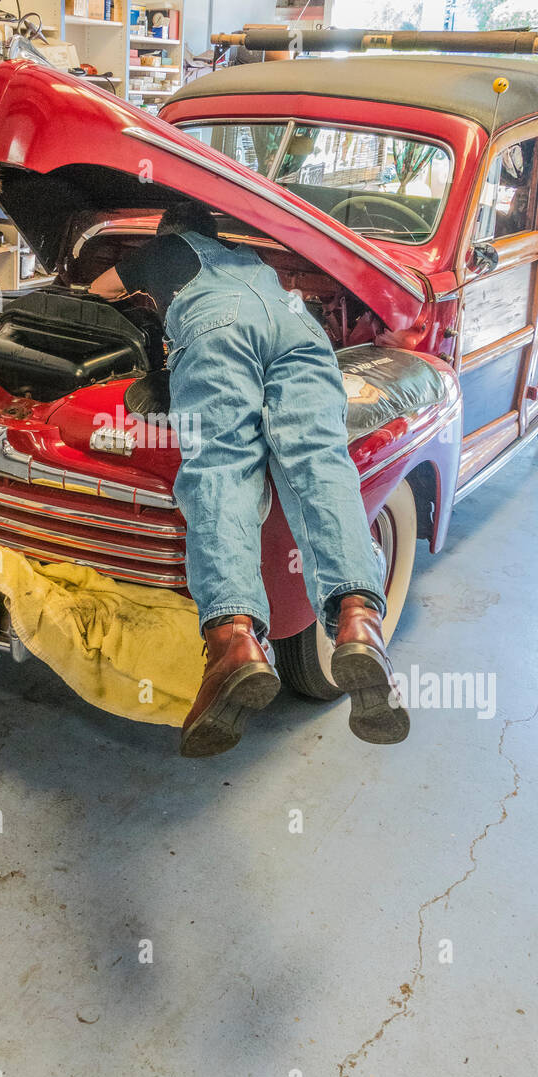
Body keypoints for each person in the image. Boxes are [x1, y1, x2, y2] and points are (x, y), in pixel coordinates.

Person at [89, 200, 408, 757]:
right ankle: (359, 621)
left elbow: (97, 290)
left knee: (222, 467)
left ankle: (235, 638)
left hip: (217, 327)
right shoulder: (252, 258)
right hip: (299, 332)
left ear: (171, 232)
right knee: (319, 461)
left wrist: (139, 297)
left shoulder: (162, 250)